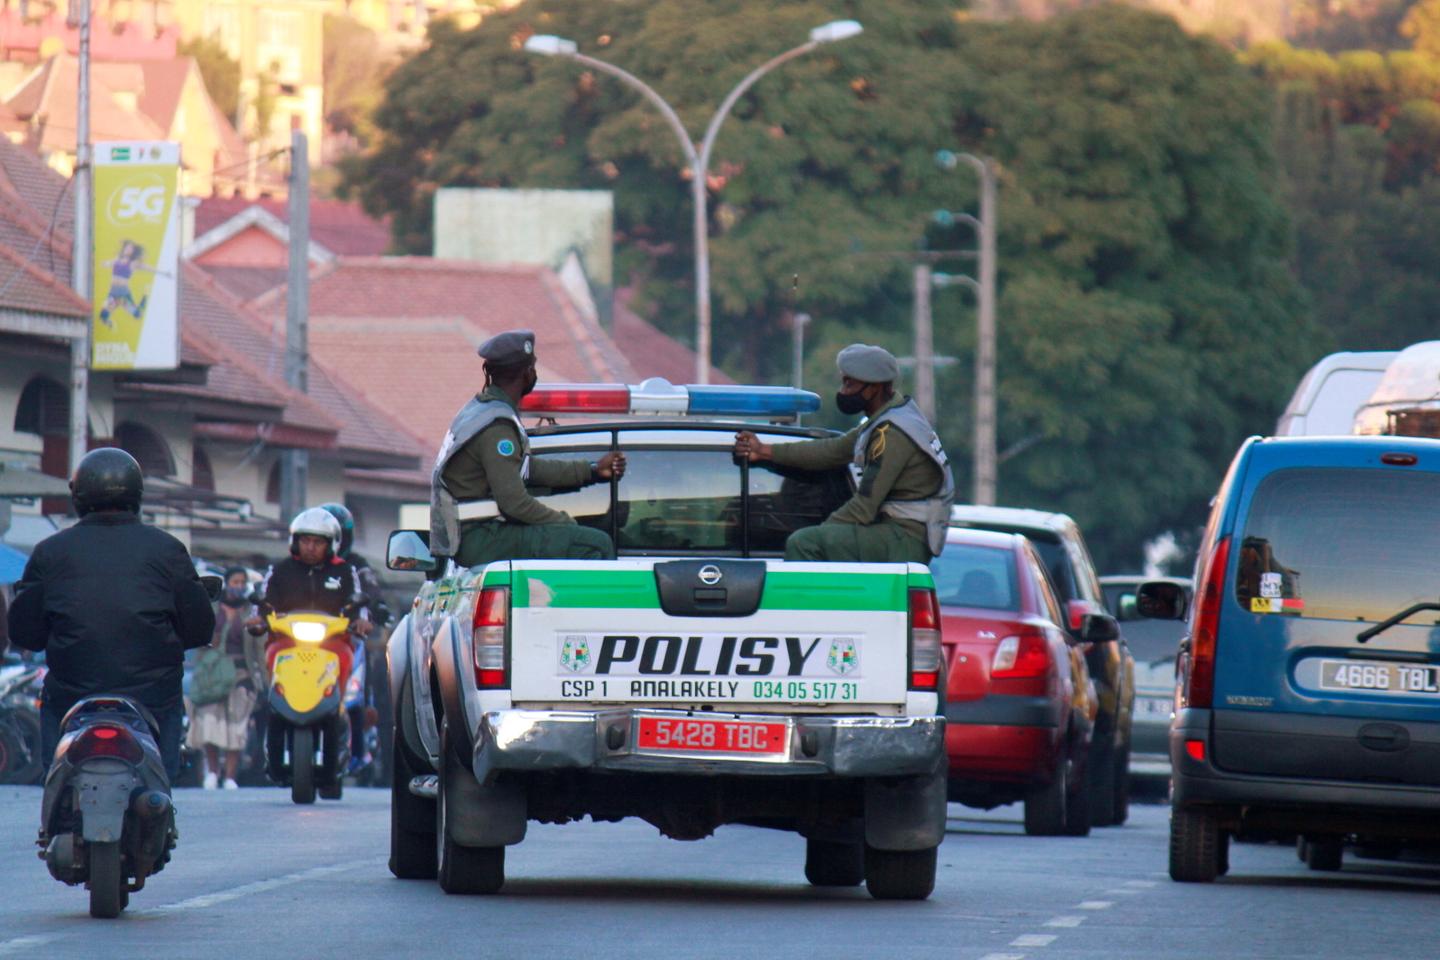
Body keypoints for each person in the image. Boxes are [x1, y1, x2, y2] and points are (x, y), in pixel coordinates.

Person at [6, 448, 215, 780]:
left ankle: (55, 812)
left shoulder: (50, 552)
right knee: (162, 782)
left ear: (79, 496)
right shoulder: (168, 549)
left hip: (73, 692)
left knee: (54, 773)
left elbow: (24, 633)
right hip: (152, 695)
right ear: (137, 493)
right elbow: (200, 628)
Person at [733, 343, 955, 564]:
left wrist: (823, 534)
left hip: (904, 538)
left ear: (874, 387)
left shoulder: (891, 433)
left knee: (804, 543)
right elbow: (830, 450)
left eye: (850, 384)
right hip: (898, 533)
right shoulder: (889, 419)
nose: (843, 391)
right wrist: (764, 451)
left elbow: (863, 508)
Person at [430, 329, 627, 567]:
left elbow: (526, 469)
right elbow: (514, 503)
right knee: (596, 544)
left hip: (476, 534)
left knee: (579, 539)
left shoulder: (480, 411)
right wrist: (565, 522)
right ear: (526, 374)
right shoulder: (497, 427)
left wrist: (593, 471)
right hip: (481, 537)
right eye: (533, 368)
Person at [187, 567, 257, 789]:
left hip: (241, 674)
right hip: (212, 674)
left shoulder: (250, 611)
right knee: (209, 722)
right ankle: (212, 771)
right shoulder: (213, 608)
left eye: (242, 582)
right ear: (226, 583)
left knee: (236, 726)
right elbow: (197, 635)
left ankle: (230, 776)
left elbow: (259, 646)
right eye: (235, 581)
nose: (239, 586)